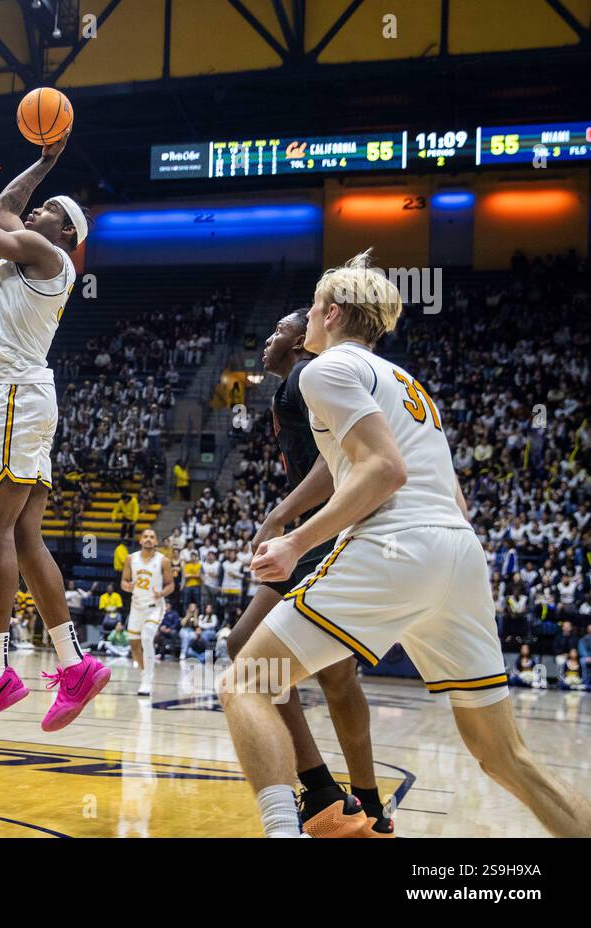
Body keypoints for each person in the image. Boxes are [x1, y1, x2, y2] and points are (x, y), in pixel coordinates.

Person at [222, 251, 591, 838]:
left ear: (333, 314)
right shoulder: (405, 380)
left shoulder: (321, 370)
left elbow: (384, 472)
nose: (307, 320)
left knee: (248, 679)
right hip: (458, 552)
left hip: (397, 544)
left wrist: (296, 541)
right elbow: (443, 489)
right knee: (507, 759)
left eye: (314, 309)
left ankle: (286, 826)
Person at [0, 125, 111, 734]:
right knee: (23, 539)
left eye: (46, 212)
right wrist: (45, 162)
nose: (33, 213)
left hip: (12, 395)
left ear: (65, 233)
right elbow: (3, 209)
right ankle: (73, 664)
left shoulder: (49, 256)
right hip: (24, 396)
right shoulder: (36, 247)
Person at [227, 306, 392, 838]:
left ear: (303, 341)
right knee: (333, 674)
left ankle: (325, 791)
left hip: (324, 536)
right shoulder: (293, 385)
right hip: (320, 536)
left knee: (248, 650)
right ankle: (359, 803)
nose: (270, 337)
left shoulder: (304, 377)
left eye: (281, 330)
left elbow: (335, 458)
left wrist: (280, 516)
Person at [120, 528, 173, 696]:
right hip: (136, 607)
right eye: (145, 536)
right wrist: (126, 586)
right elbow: (124, 581)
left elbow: (170, 585)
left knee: (147, 637)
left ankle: (147, 681)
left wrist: (162, 593)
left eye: (152, 536)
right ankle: (145, 673)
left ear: (156, 542)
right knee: (134, 645)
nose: (148, 539)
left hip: (155, 607)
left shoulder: (163, 561)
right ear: (140, 540)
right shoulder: (131, 559)